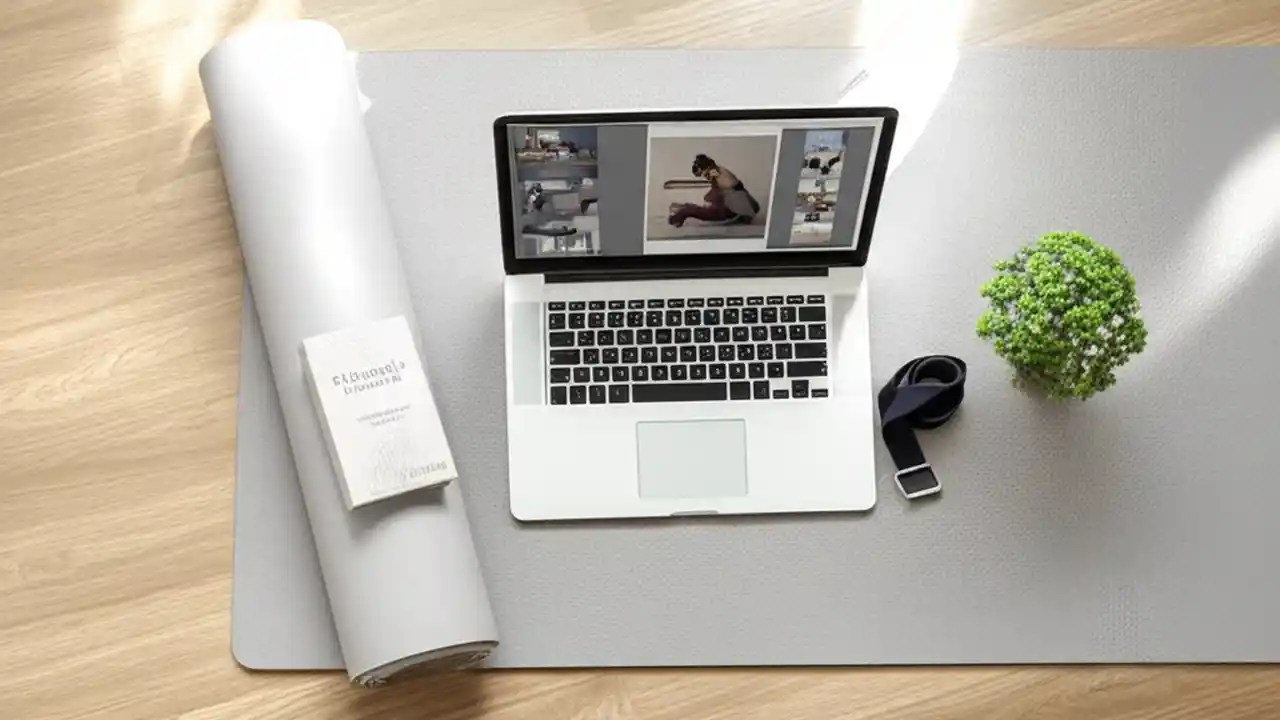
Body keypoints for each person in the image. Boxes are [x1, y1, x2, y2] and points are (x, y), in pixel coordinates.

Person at [667, 154, 761, 227]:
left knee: (700, 210)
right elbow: (754, 206)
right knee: (707, 204)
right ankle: (684, 209)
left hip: (730, 209)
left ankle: (680, 213)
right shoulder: (719, 170)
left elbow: (716, 190)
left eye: (702, 173)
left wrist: (709, 198)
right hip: (737, 205)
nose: (704, 176)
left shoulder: (713, 172)